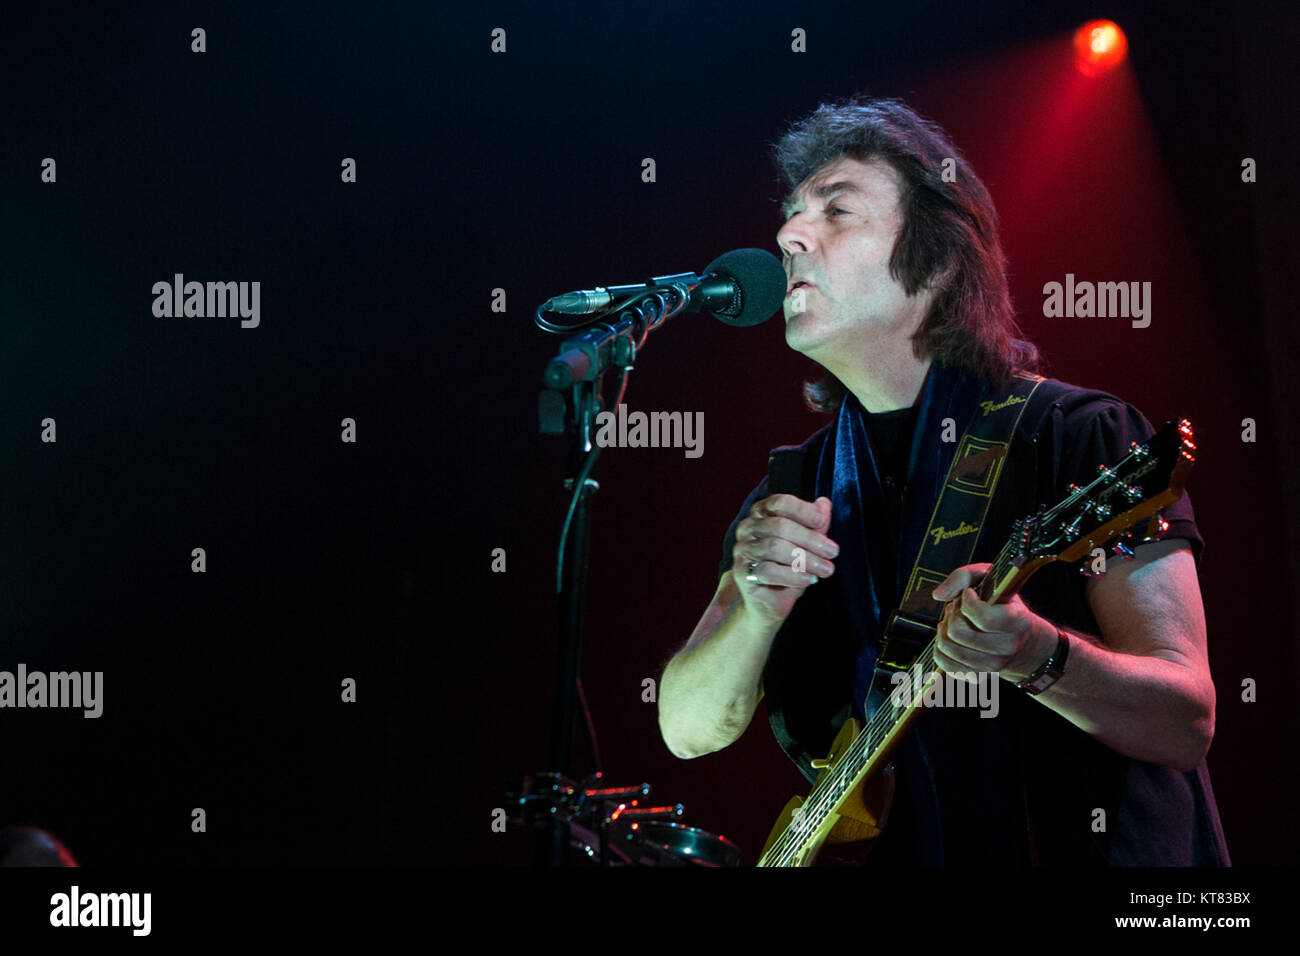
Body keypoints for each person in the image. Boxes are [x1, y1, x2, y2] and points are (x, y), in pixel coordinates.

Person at [657, 96, 1230, 866]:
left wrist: (1039, 655)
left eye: (836, 211)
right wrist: (754, 611)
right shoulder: (790, 490)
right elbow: (688, 730)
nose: (788, 236)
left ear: (935, 259)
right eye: (791, 216)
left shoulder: (1080, 437)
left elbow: (1184, 719)